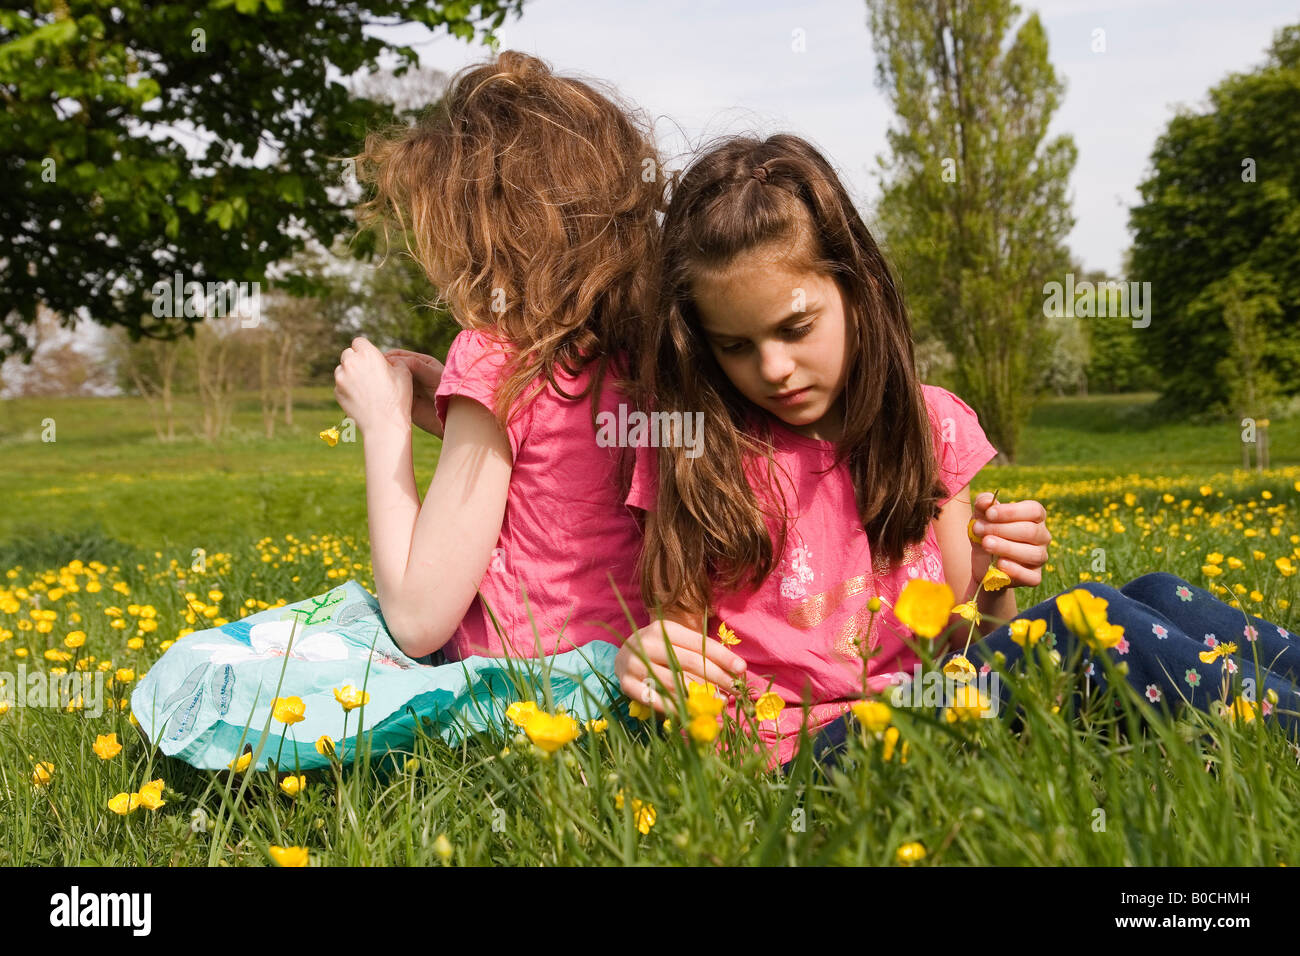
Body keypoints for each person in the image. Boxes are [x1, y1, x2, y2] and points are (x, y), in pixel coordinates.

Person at [614, 132, 1300, 772]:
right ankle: (1284, 732)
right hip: (810, 755)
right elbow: (679, 661)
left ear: (859, 290)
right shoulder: (696, 453)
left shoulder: (927, 424)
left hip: (940, 702)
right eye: (736, 346)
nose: (774, 368)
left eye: (796, 328)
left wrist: (995, 577)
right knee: (1082, 620)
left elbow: (968, 642)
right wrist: (653, 661)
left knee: (1148, 593)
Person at [131, 51, 662, 771]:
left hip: (524, 689)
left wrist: (382, 425)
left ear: (480, 230)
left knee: (213, 663)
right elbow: (558, 474)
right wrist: (454, 405)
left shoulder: (497, 356)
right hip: (629, 682)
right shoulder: (638, 351)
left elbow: (417, 618)